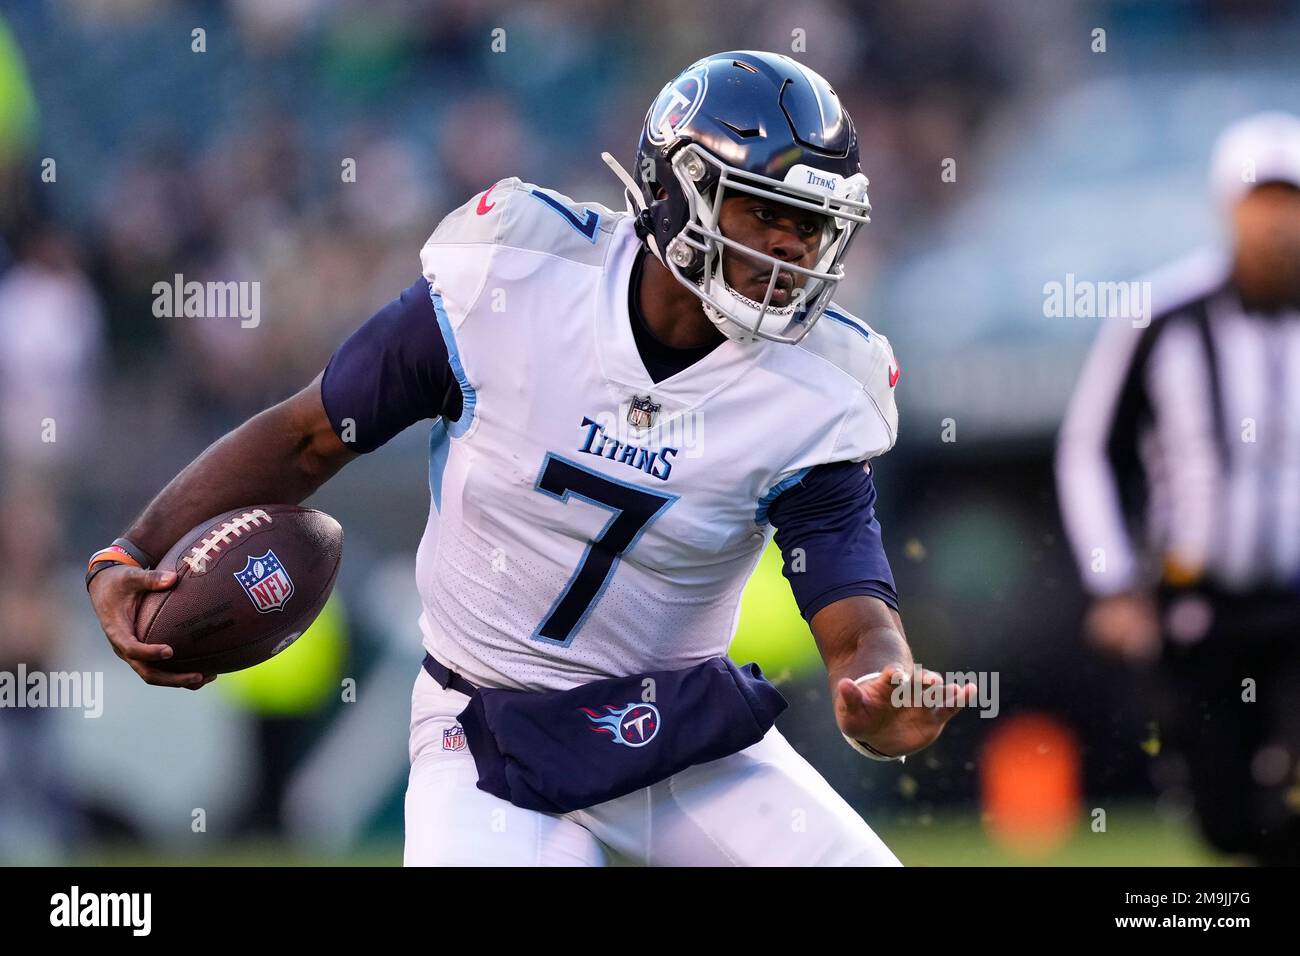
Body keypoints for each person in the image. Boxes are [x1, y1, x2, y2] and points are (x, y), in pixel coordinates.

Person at [87, 50, 973, 866]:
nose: (791, 248)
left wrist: (879, 686)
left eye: (811, 226)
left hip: (669, 731)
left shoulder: (817, 388)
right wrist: (132, 549)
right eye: (767, 211)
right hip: (485, 729)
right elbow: (308, 434)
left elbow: (854, 614)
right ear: (678, 190)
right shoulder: (513, 278)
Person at [1056, 111, 1300, 865]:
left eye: (1289, 201)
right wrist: (1114, 582)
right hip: (1198, 604)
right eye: (1261, 201)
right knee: (1226, 819)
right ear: (1227, 208)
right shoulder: (1161, 317)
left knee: (1291, 799)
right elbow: (1090, 450)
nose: (1276, 222)